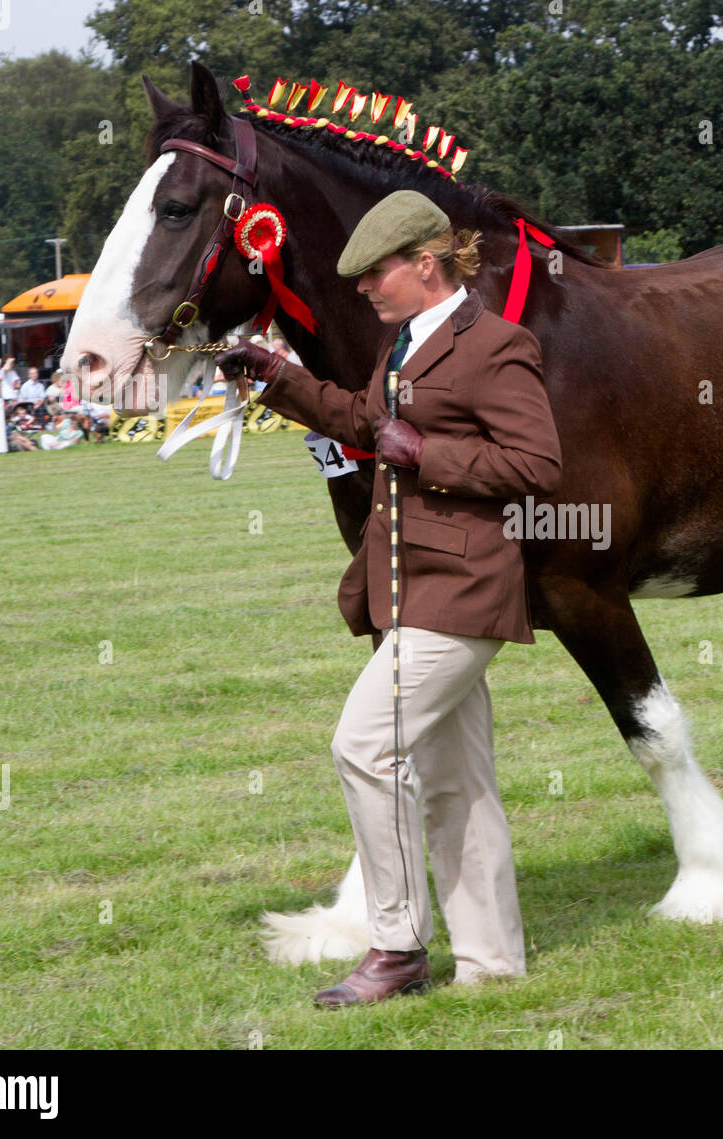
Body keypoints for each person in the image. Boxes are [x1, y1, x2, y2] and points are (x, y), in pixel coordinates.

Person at [216, 190, 562, 1007]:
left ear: (424, 264)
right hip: (413, 588)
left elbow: (539, 465)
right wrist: (280, 381)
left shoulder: (497, 346)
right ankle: (492, 961)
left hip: (462, 593)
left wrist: (428, 452)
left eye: (375, 274)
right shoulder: (402, 345)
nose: (364, 288)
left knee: (363, 747)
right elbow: (367, 423)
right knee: (454, 782)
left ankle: (398, 944)